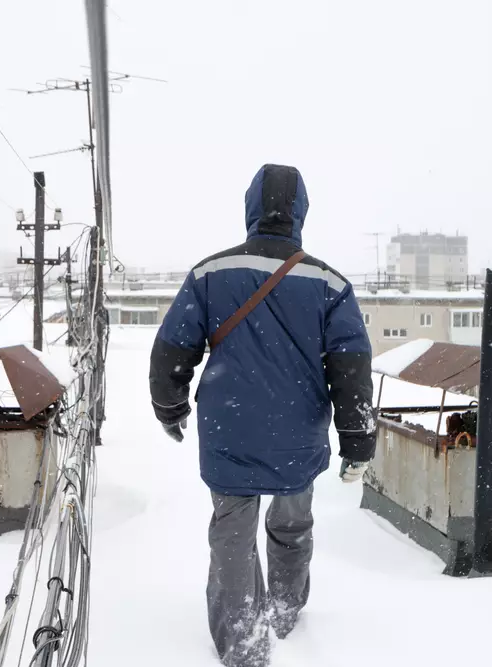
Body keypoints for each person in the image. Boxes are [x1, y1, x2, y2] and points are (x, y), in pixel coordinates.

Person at [149, 164, 377, 667]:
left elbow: (171, 348)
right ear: (300, 213)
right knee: (292, 523)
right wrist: (358, 441)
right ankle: (285, 612)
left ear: (251, 208)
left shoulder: (210, 273)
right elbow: (351, 368)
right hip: (298, 430)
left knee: (232, 530)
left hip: (229, 427)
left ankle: (241, 643)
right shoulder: (328, 282)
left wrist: (170, 406)